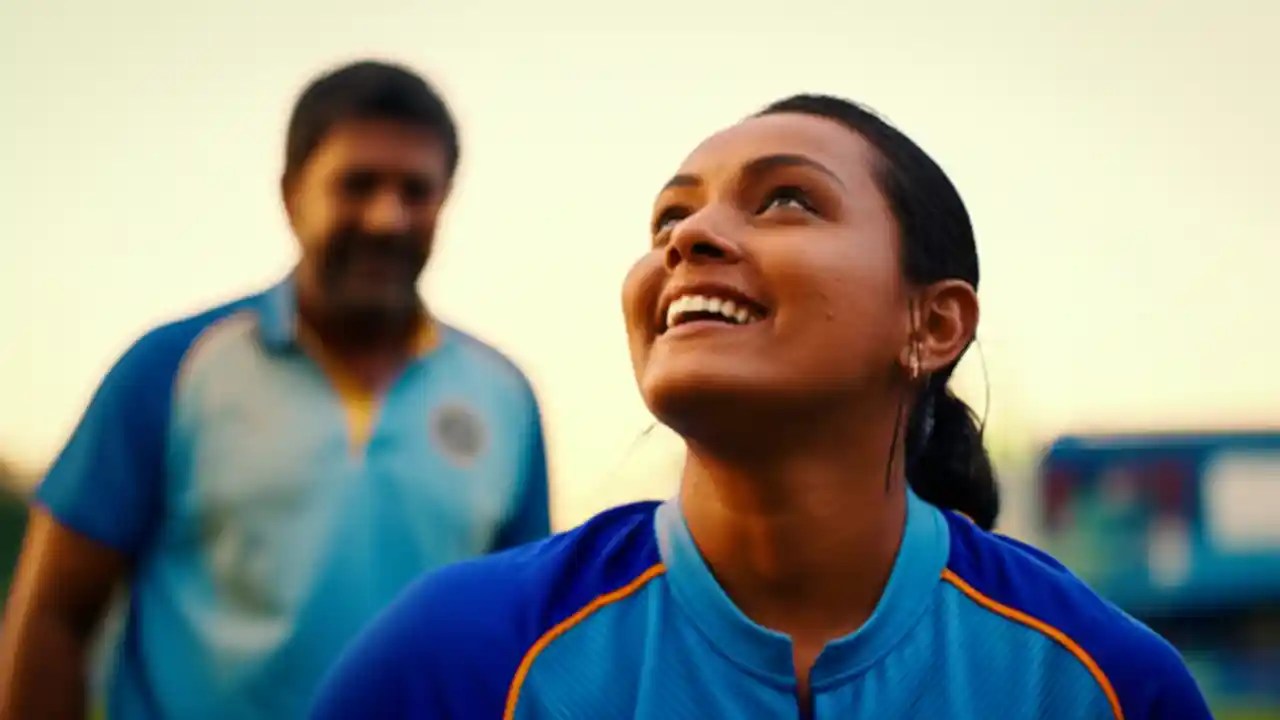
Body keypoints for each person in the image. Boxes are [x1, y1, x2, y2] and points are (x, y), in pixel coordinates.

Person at [309, 93, 1212, 719]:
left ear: (933, 325)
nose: (689, 239)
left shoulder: (1103, 685)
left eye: (785, 200)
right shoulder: (457, 659)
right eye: (669, 220)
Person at [0, 60, 550, 720]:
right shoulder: (171, 368)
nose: (387, 218)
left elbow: (521, 641)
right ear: (292, 194)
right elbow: (55, 616)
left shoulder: (505, 397)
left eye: (416, 191)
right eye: (357, 185)